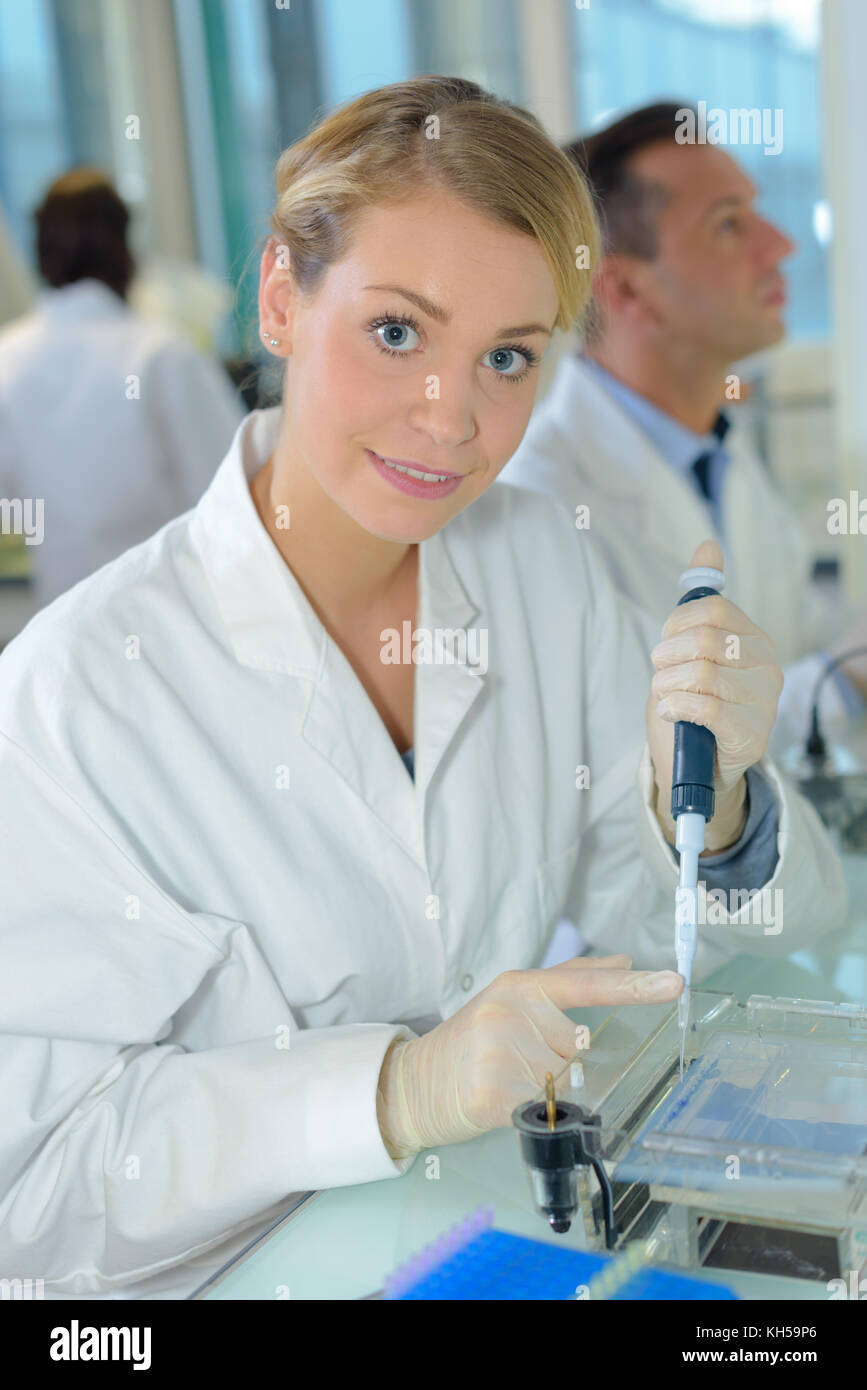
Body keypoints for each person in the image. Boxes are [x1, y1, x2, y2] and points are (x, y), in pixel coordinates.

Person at [0, 78, 845, 1299]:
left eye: (508, 356)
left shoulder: (541, 562)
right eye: (398, 331)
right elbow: (32, 1201)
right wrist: (396, 1087)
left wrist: (711, 804)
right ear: (285, 298)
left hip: (475, 1248)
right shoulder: (70, 699)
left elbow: (718, 942)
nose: (453, 419)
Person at [500, 103, 867, 759]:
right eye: (728, 224)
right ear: (627, 292)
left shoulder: (718, 459)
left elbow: (800, 645)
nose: (779, 245)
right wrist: (848, 684)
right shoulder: (538, 504)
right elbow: (642, 762)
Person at [0, 168, 244, 607]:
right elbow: (235, 492)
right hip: (171, 613)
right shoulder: (161, 354)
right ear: (123, 247)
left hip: (63, 621)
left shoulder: (8, 360)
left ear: (42, 250)